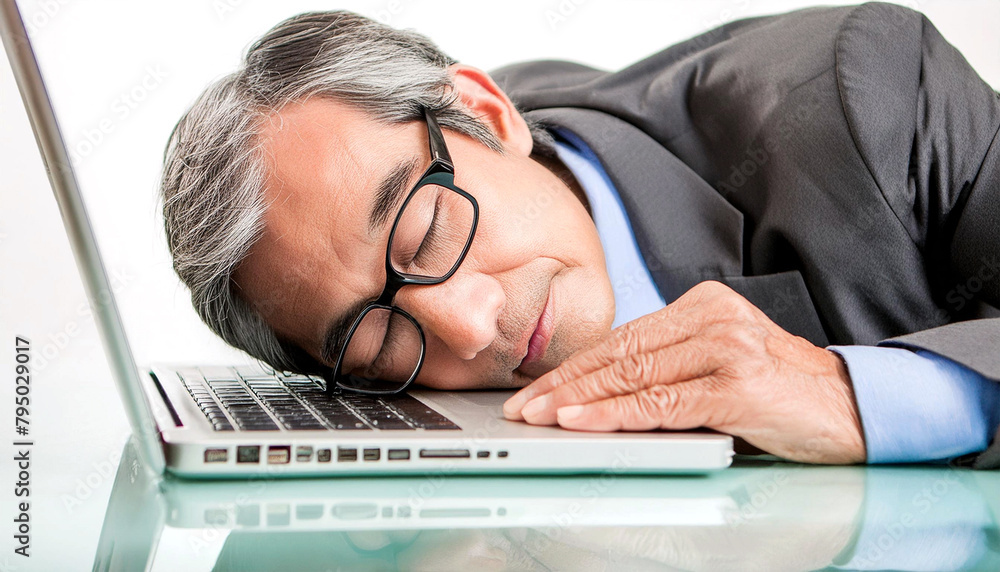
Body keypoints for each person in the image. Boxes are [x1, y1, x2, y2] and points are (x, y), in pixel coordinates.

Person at [159, 3, 1000, 467]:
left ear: (489, 115)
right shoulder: (445, 171)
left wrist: (856, 396)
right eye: (380, 342)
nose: (465, 325)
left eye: (426, 232)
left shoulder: (870, 94)